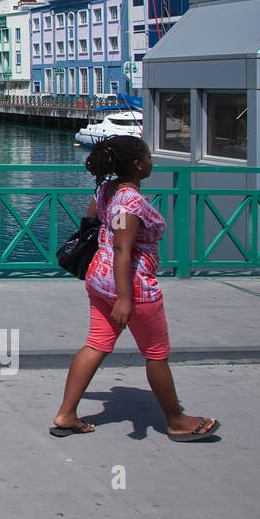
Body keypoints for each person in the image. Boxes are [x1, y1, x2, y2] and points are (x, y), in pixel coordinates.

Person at [51, 135, 219, 441]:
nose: (153, 162)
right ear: (139, 165)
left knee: (97, 344)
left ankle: (66, 414)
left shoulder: (105, 190)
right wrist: (125, 299)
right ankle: (177, 420)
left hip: (98, 279)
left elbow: (91, 222)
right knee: (156, 354)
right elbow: (122, 250)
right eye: (149, 157)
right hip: (132, 286)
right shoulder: (129, 202)